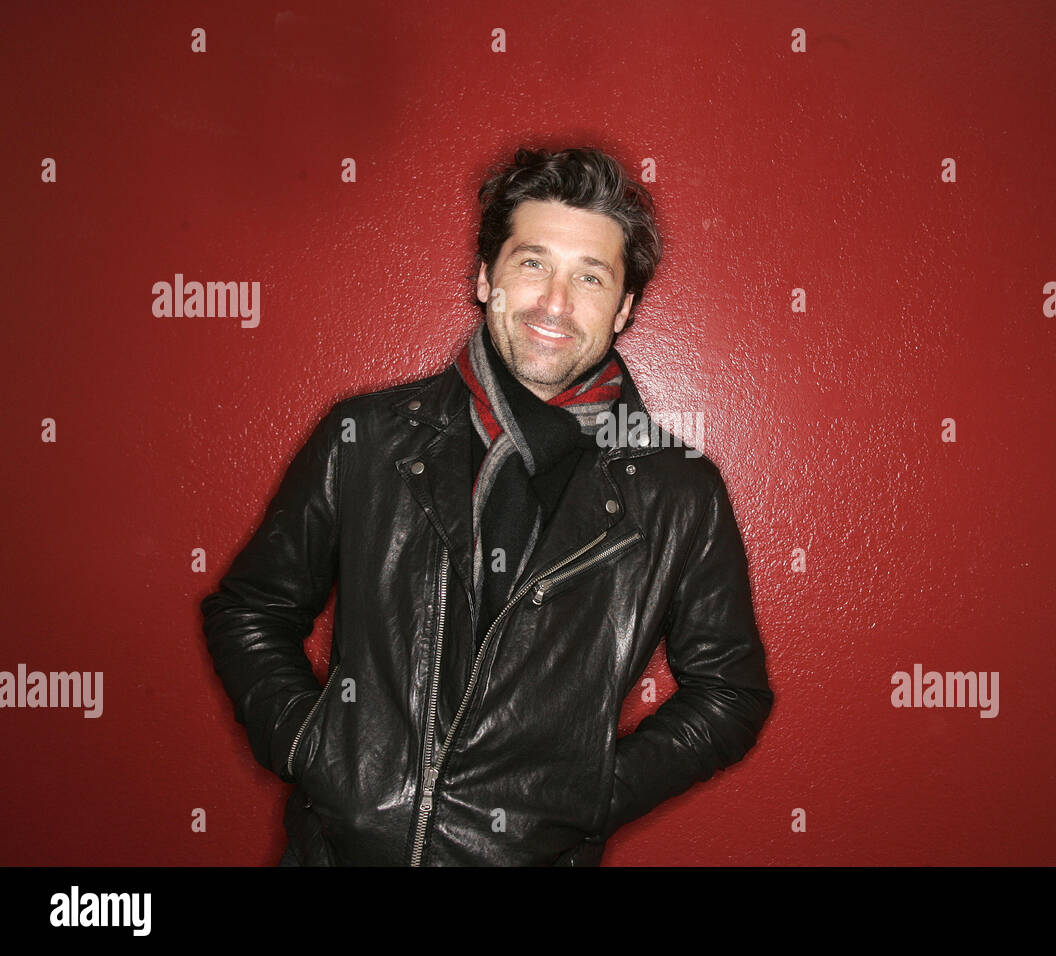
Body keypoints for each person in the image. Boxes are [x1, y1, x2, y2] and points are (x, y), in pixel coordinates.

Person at [200, 145, 774, 866]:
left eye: (589, 277)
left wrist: (589, 795)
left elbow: (730, 694)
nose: (555, 303)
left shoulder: (679, 491)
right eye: (532, 263)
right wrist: (310, 744)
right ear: (485, 278)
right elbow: (249, 610)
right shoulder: (366, 438)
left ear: (625, 308)